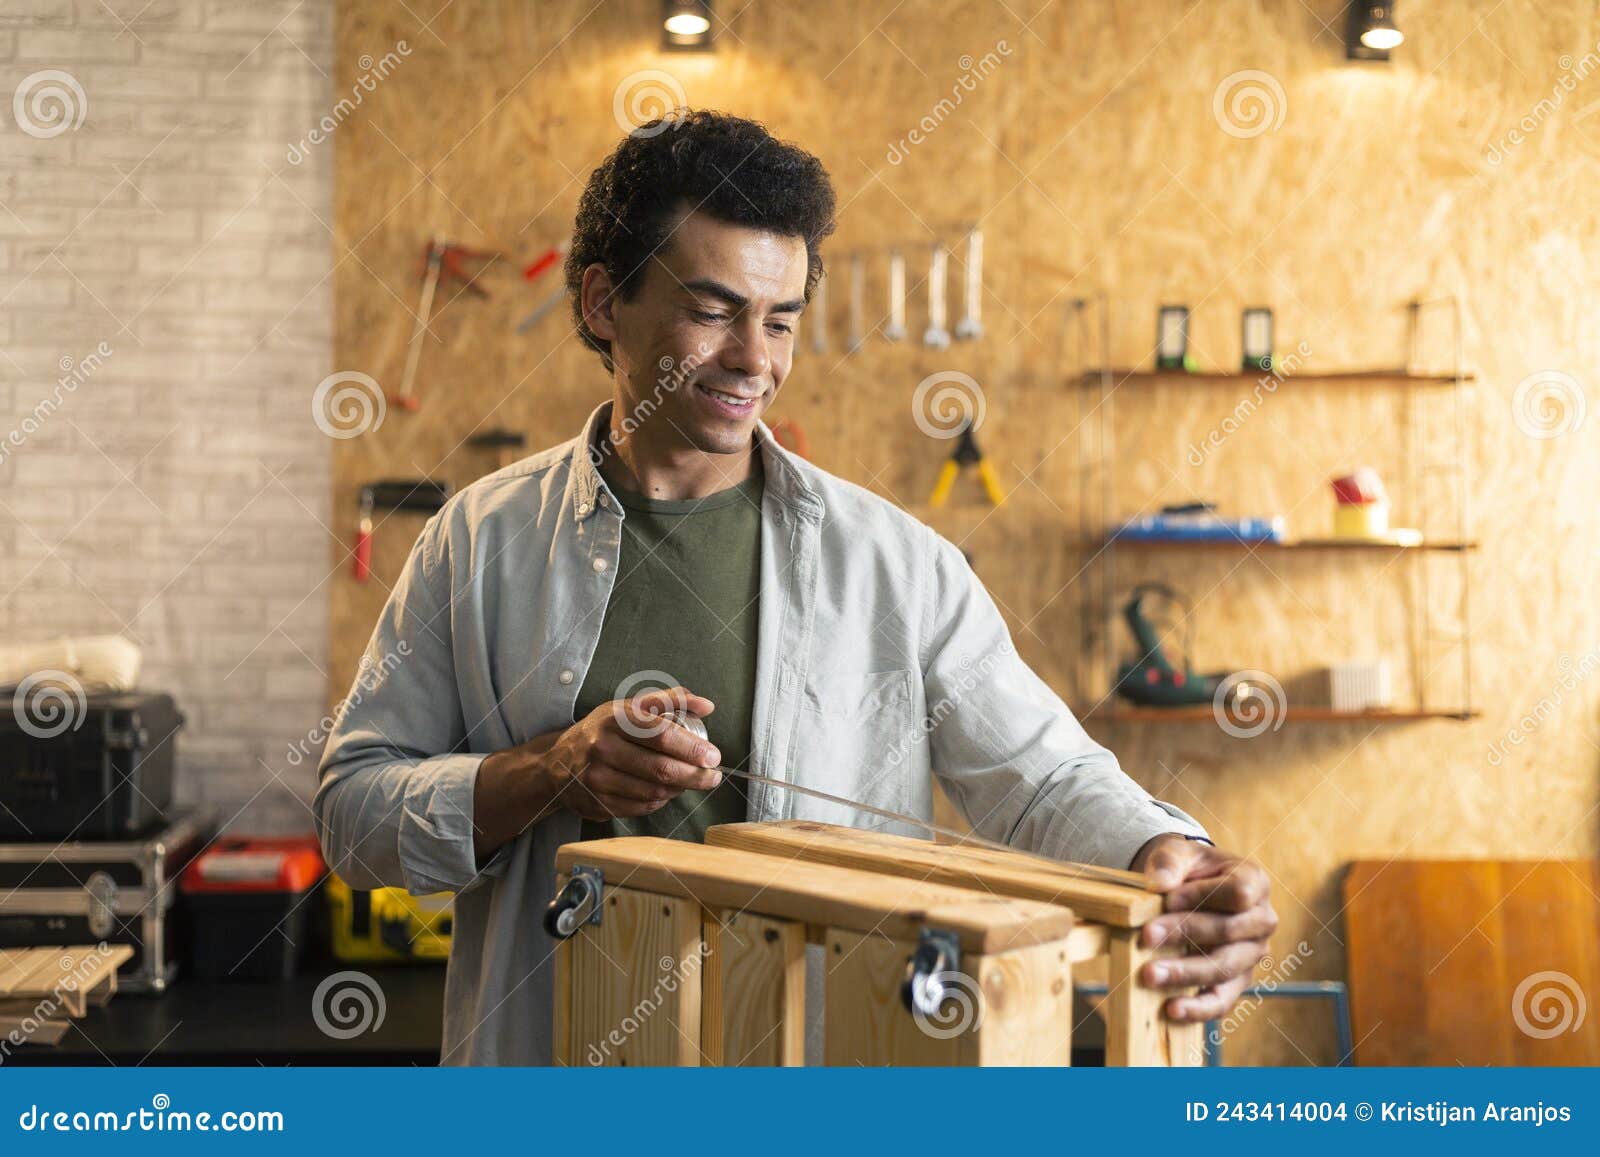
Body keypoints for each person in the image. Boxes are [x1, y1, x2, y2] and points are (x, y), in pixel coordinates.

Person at [314, 110, 1276, 1066]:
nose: (755, 359)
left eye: (780, 321)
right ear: (605, 303)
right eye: (712, 310)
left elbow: (1044, 781)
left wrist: (1163, 854)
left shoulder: (895, 563)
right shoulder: (478, 541)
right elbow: (352, 817)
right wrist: (548, 771)